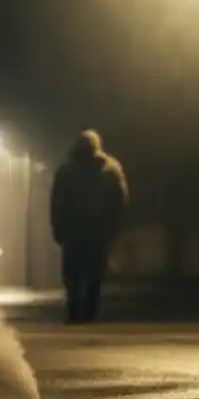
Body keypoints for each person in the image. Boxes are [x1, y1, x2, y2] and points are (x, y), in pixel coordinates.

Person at [50, 129, 129, 323]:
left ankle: (74, 313)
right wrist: (114, 228)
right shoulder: (110, 169)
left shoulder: (67, 170)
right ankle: (90, 313)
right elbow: (120, 201)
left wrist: (57, 228)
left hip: (74, 231)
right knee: (95, 274)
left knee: (73, 276)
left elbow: (57, 202)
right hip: (98, 231)